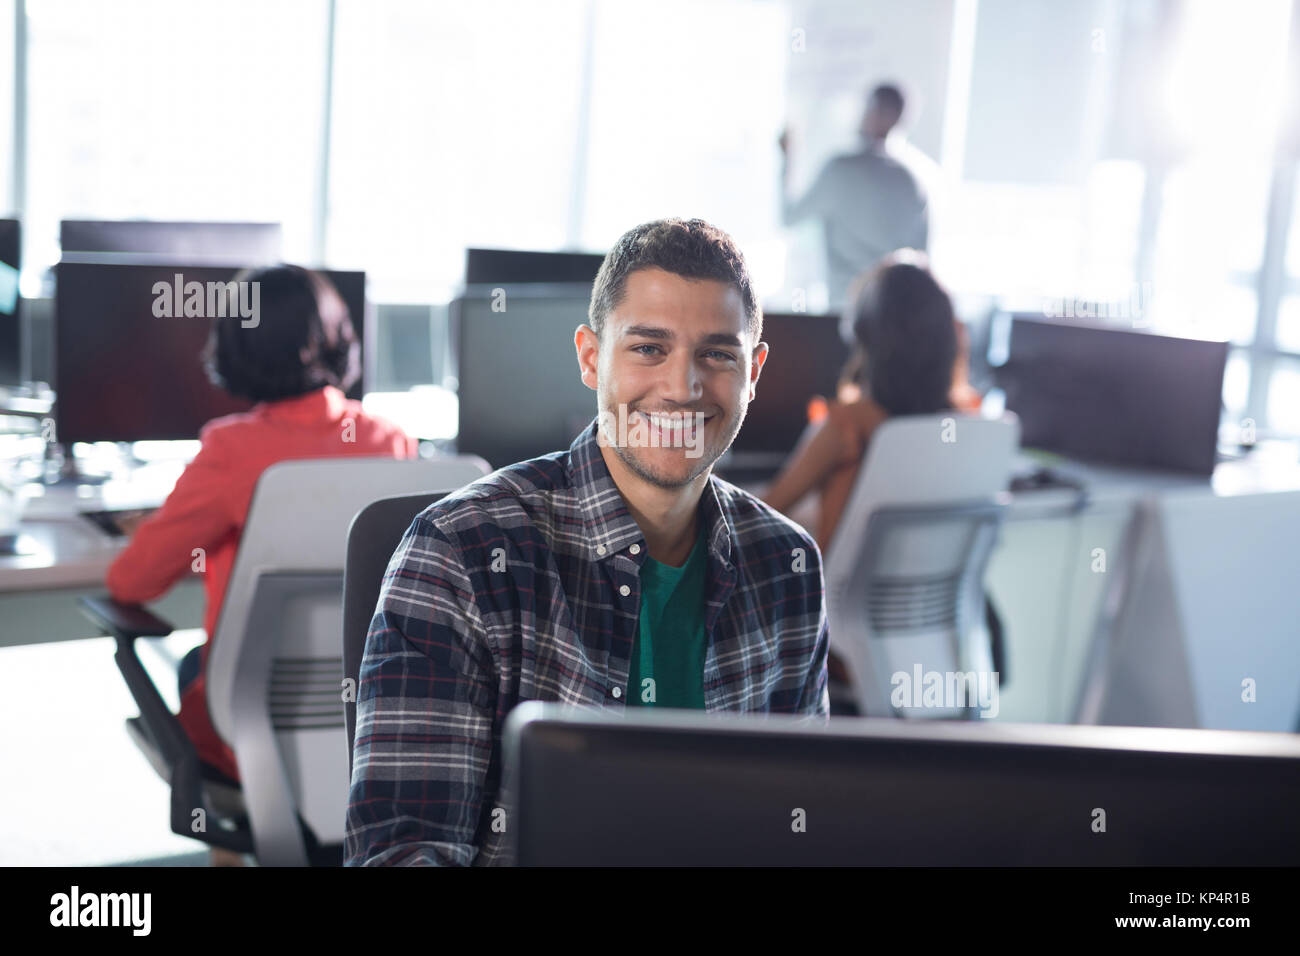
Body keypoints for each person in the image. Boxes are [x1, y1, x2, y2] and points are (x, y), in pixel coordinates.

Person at [346, 218, 830, 866]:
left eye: (717, 353)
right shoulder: (461, 552)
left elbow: (805, 829)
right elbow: (404, 852)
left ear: (755, 371)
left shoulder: (786, 565)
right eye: (649, 348)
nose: (683, 388)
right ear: (590, 357)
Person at [106, 265, 416, 810]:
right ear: (340, 339)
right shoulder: (391, 441)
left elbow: (133, 582)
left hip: (248, 724)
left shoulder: (230, 450)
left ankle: (232, 835)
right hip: (372, 722)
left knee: (193, 666)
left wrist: (165, 529)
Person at [761, 250, 980, 555]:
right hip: (935, 603)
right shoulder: (964, 430)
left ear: (864, 338)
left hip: (841, 602)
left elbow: (764, 511)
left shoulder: (848, 426)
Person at [780, 82, 929, 308]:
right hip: (892, 319)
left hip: (842, 314)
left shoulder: (841, 170)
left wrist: (787, 158)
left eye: (869, 107)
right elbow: (921, 261)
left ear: (880, 113)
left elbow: (789, 217)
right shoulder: (916, 182)